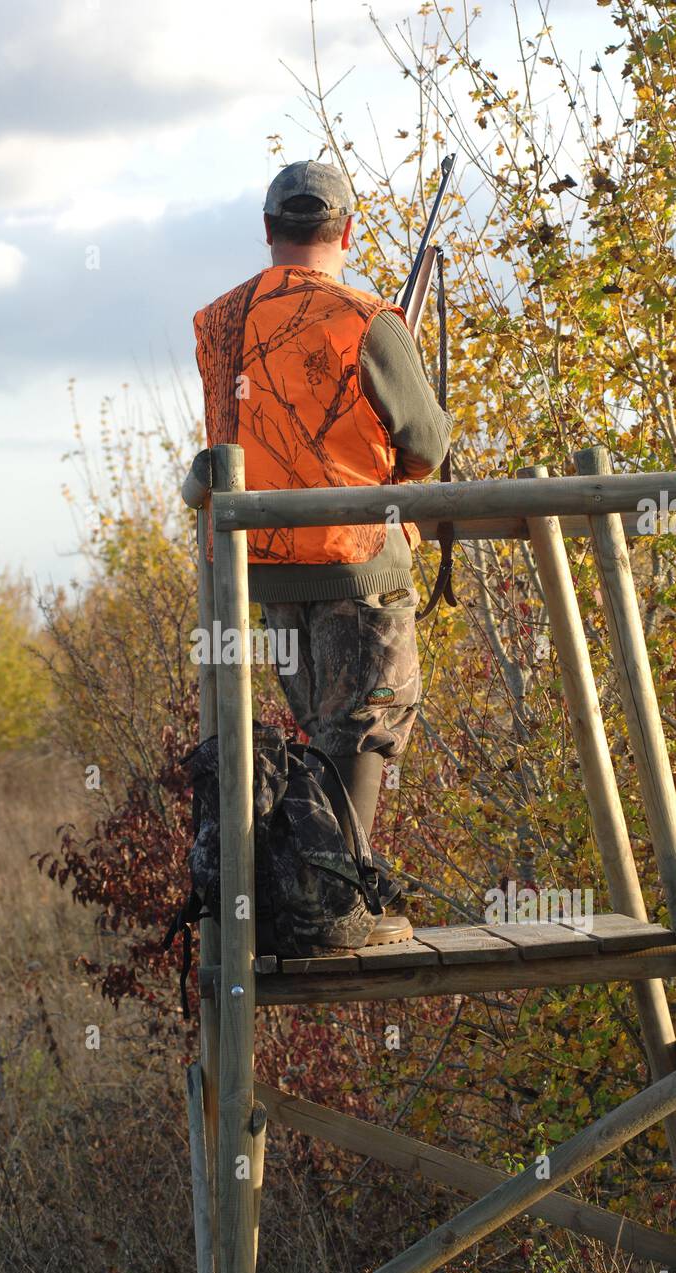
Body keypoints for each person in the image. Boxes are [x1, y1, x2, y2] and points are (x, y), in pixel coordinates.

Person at [193, 159, 452, 868]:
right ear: (347, 228)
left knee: (320, 725)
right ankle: (335, 896)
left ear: (269, 228)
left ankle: (303, 889)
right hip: (352, 562)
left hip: (261, 568)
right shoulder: (366, 319)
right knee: (366, 722)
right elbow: (425, 444)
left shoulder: (217, 322)